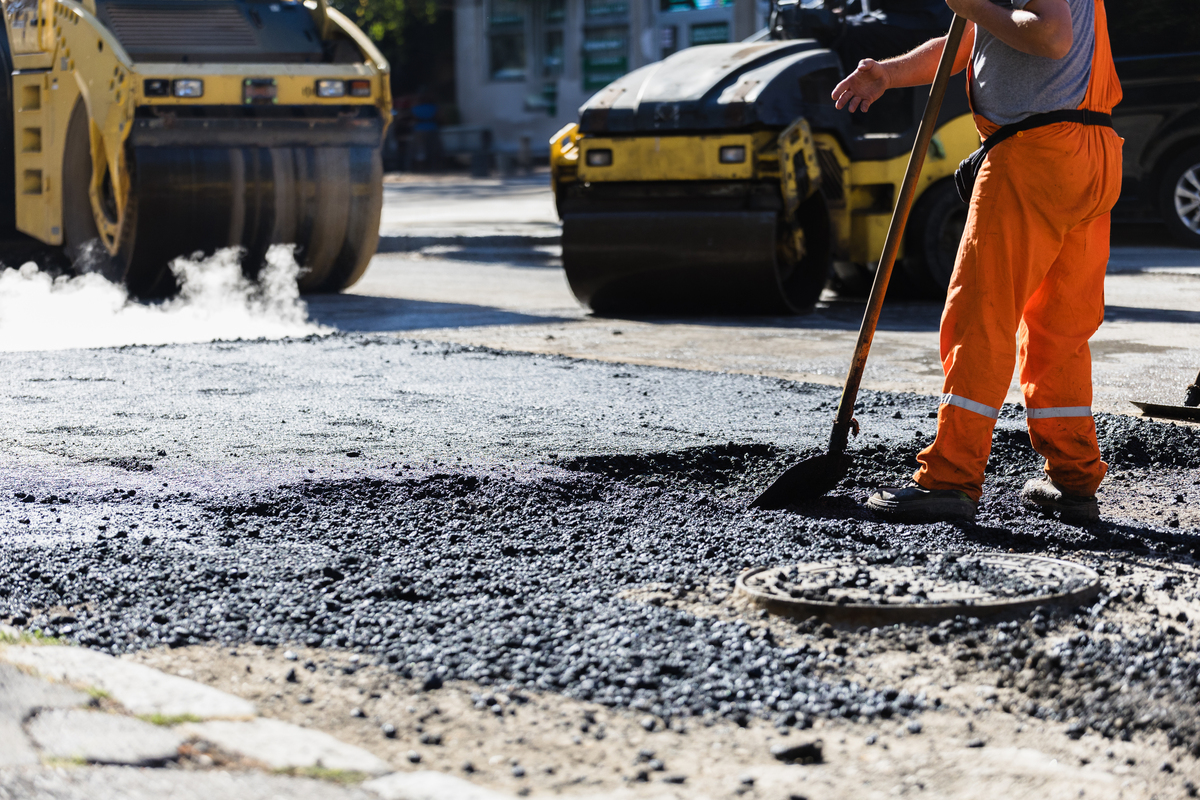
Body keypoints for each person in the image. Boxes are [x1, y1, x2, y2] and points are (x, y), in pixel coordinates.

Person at [831, 0, 1123, 523]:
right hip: (1090, 151)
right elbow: (970, 44)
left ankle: (949, 479)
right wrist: (888, 74)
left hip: (1034, 153)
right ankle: (1074, 479)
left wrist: (972, 6)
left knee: (980, 318)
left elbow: (1049, 36)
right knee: (1061, 326)